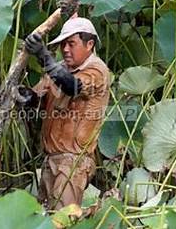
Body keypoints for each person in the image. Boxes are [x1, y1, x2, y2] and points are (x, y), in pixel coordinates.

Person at [23, 17, 111, 210]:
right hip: (50, 159)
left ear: (90, 44)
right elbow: (36, 100)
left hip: (74, 162)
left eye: (71, 43)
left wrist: (44, 56)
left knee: (62, 220)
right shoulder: (59, 69)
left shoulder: (97, 71)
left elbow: (72, 86)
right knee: (44, 219)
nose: (65, 49)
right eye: (63, 44)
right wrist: (22, 96)